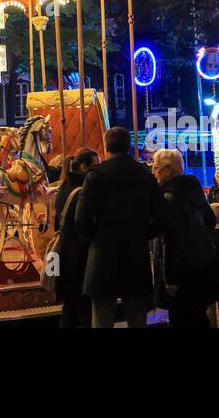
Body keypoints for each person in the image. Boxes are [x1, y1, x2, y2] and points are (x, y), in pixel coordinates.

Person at [74, 126, 166, 328]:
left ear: (106, 146)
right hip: (135, 256)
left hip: (103, 256)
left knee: (102, 319)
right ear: (129, 145)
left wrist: (94, 239)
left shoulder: (95, 176)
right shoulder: (145, 174)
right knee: (137, 318)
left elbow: (81, 219)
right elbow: (161, 217)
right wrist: (142, 234)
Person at [151, 148, 216, 327]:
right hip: (201, 266)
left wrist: (170, 279)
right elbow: (210, 220)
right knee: (199, 317)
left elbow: (170, 241)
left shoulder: (168, 198)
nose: (153, 172)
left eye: (156, 167)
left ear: (168, 170)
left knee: (180, 319)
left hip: (180, 273)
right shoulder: (193, 191)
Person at [53, 147, 99, 328]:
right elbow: (83, 224)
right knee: (83, 308)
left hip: (64, 255)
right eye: (95, 167)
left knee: (70, 308)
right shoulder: (82, 192)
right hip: (78, 257)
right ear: (83, 167)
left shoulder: (64, 187)